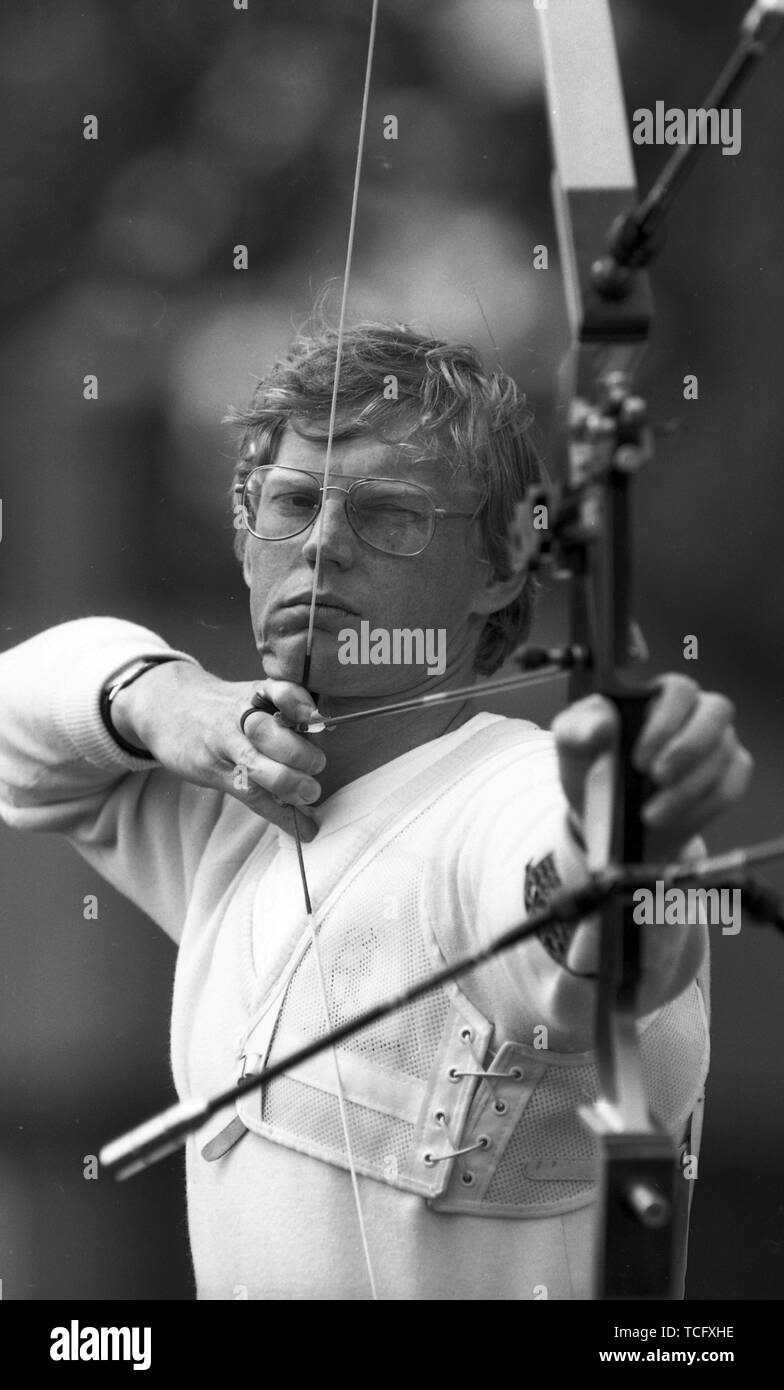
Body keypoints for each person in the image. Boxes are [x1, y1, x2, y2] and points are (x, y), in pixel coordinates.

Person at [0, 322, 751, 1300]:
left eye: (389, 515)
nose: (323, 545)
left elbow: (594, 953)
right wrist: (160, 698)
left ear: (501, 567)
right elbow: (21, 723)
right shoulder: (233, 798)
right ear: (243, 537)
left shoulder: (508, 796)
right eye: (292, 503)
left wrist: (626, 845)